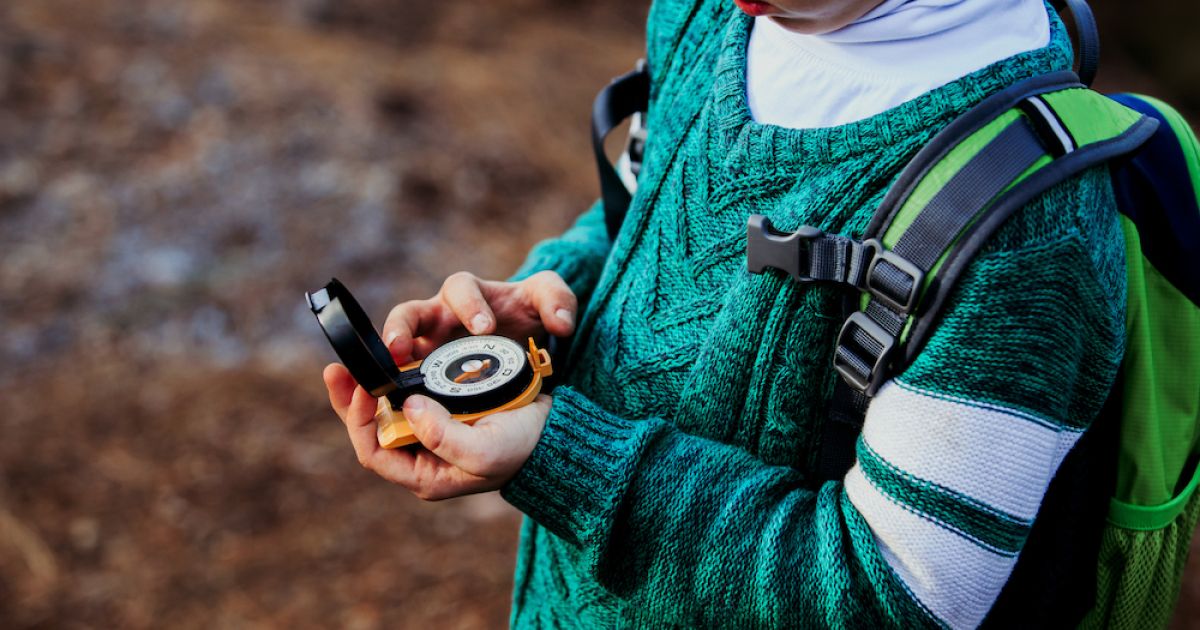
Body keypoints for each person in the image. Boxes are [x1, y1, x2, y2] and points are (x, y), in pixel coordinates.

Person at [323, 0, 1127, 627]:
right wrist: (547, 301)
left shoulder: (1029, 225)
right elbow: (640, 216)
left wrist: (560, 454)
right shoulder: (711, 16)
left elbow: (895, 593)